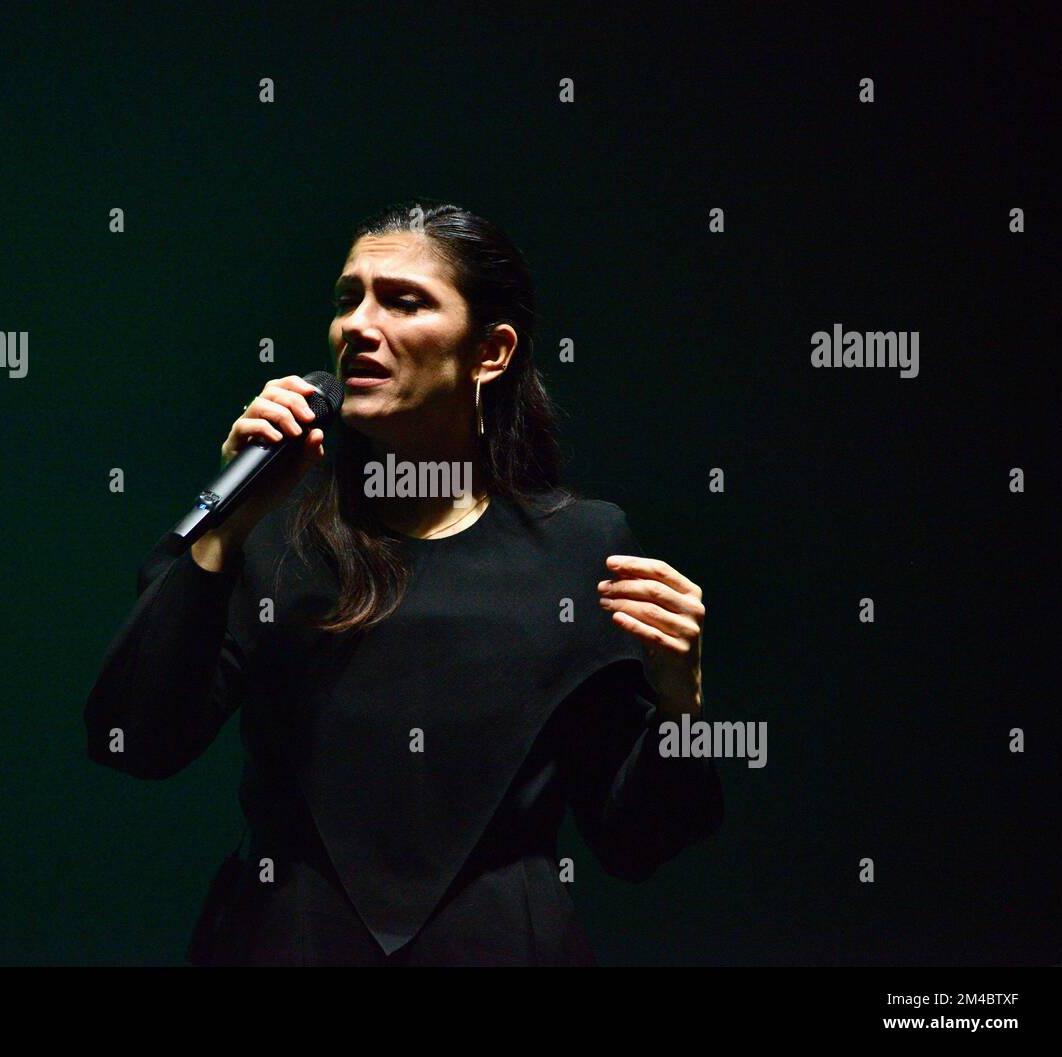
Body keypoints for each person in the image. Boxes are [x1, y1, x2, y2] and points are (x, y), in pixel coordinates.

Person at [83, 200, 724, 966]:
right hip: (287, 941)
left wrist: (681, 698)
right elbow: (134, 738)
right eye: (348, 297)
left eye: (404, 300)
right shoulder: (271, 530)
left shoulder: (579, 549)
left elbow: (633, 843)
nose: (358, 323)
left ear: (490, 351)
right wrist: (225, 522)